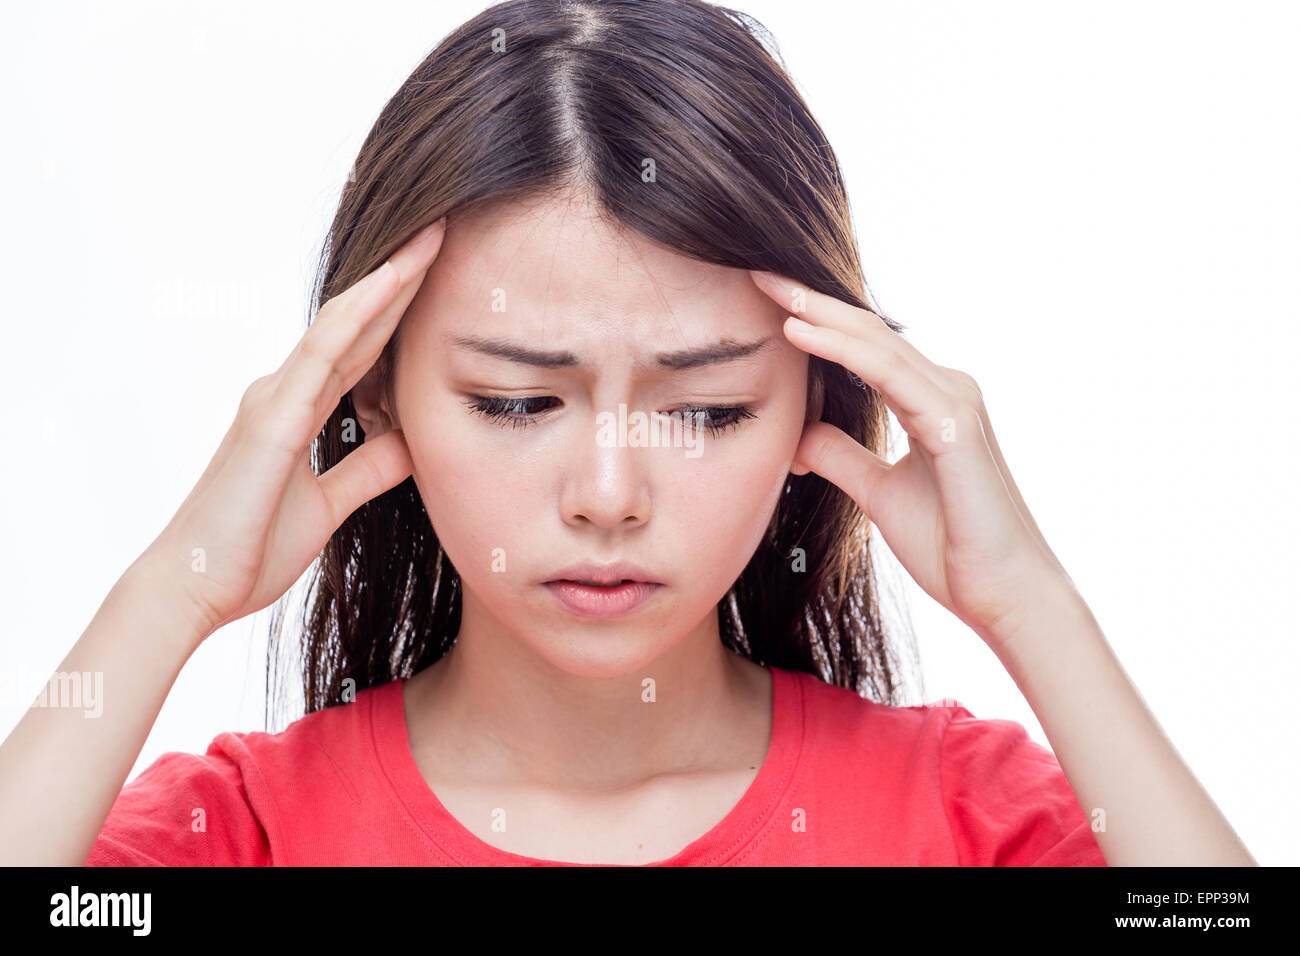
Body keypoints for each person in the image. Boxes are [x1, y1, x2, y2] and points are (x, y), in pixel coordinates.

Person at [0, 0, 1254, 866]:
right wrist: (173, 588)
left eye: (707, 406)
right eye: (515, 400)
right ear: (374, 397)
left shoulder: (962, 813)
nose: (608, 493)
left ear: (815, 401)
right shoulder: (247, 831)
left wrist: (1026, 596)